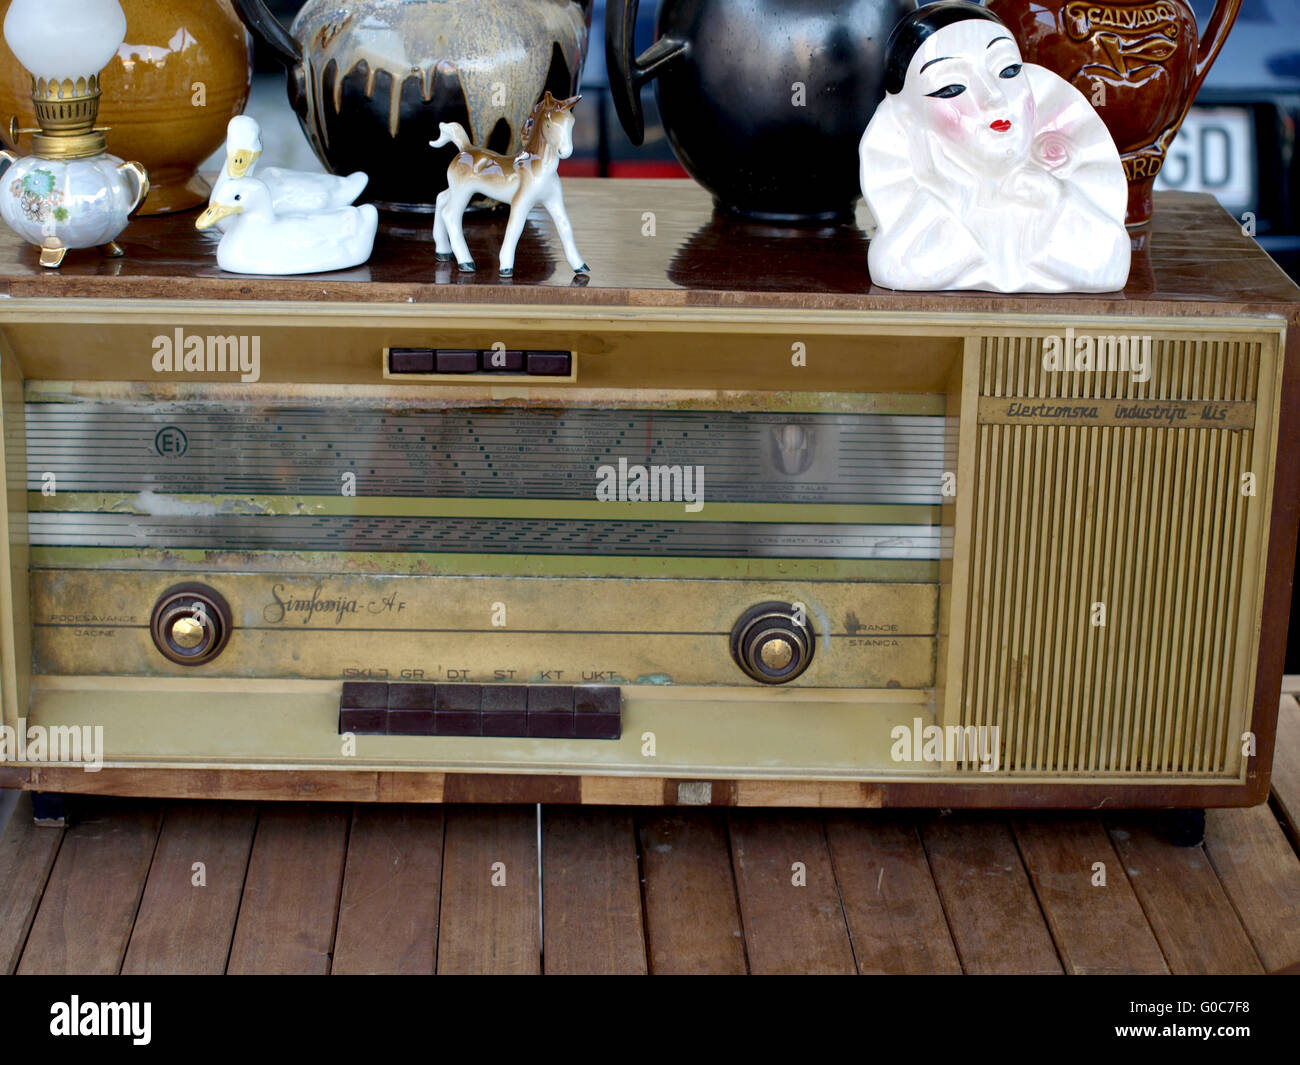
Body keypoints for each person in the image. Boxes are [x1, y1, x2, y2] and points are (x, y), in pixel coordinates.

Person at [859, 1, 1130, 293]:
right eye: (951, 88)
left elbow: (1110, 265)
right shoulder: (924, 199)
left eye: (1008, 70)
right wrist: (957, 198)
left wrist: (1054, 200)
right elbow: (898, 267)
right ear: (910, 117)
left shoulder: (1054, 187)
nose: (994, 98)